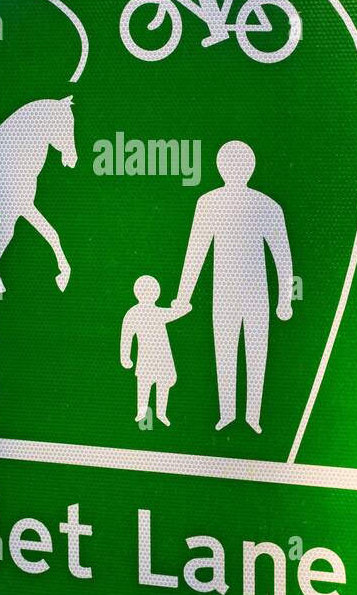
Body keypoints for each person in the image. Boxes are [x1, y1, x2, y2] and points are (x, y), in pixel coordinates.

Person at [174, 141, 293, 434]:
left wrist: (285, 300)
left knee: (255, 351)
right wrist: (183, 296)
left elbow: (282, 255)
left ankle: (253, 415)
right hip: (225, 293)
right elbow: (196, 251)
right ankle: (227, 412)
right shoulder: (208, 203)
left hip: (255, 295)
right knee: (226, 351)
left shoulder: (267, 206)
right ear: (221, 168)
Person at [120, 276, 185, 427]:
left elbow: (173, 313)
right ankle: (142, 413)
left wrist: (183, 308)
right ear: (137, 292)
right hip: (145, 359)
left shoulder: (158, 312)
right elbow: (126, 336)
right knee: (143, 385)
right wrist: (125, 356)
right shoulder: (133, 313)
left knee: (163, 385)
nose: (149, 293)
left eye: (152, 290)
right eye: (145, 290)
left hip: (163, 358)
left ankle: (161, 413)